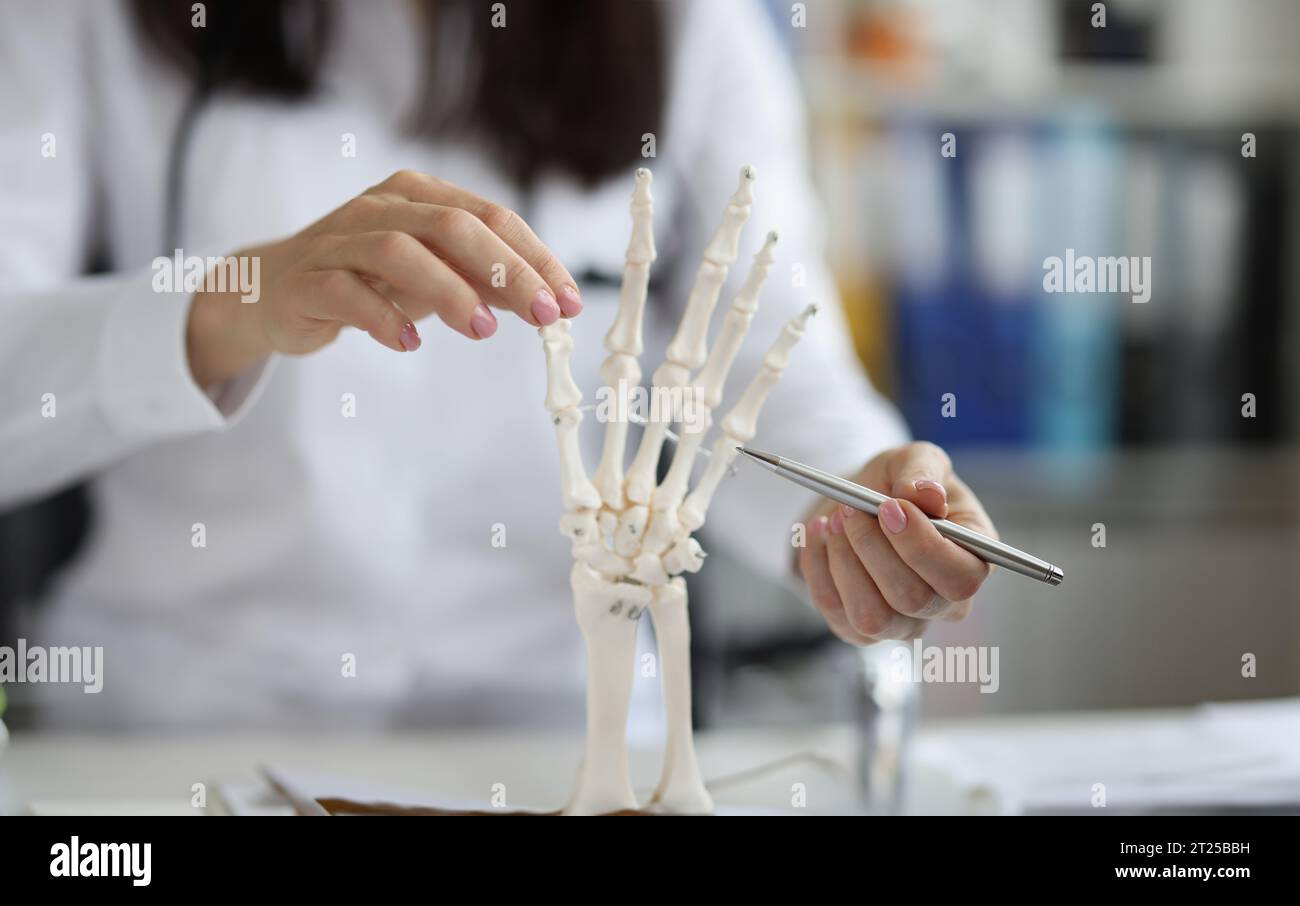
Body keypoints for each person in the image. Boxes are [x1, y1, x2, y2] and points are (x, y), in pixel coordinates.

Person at [0, 0, 997, 730]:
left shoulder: (692, 31)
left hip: (561, 735)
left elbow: (770, 364)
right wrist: (229, 305)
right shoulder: (76, 21)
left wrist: (868, 502)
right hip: (174, 738)